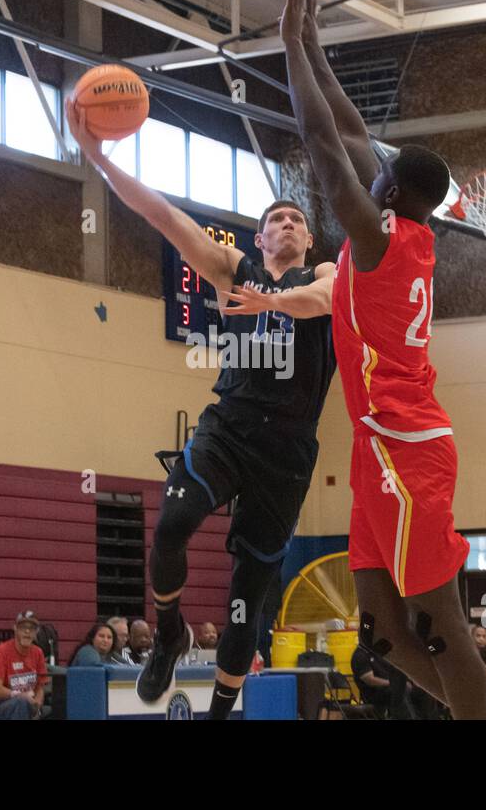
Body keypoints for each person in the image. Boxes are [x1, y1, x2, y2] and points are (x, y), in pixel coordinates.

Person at [224, 0, 486, 718]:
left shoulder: (376, 241)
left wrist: (286, 42)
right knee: (380, 633)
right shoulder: (406, 229)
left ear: (391, 189)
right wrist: (307, 36)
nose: (368, 166)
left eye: (380, 169)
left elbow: (320, 139)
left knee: (438, 626)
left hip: (408, 446)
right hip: (382, 445)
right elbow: (347, 122)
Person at [66, 86, 336, 722]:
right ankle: (167, 634)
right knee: (169, 528)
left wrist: (271, 303)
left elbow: (323, 304)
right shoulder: (229, 269)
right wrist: (100, 159)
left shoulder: (324, 277)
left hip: (287, 450)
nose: (288, 224)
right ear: (259, 237)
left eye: (297, 219)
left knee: (249, 600)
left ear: (308, 240)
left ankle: (219, 710)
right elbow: (163, 215)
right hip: (230, 429)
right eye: (276, 220)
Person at [0, 611, 49, 720]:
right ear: (15, 628)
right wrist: (18, 695)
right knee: (21, 703)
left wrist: (37, 704)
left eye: (32, 628)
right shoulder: (2, 651)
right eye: (23, 627)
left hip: (26, 704)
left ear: (36, 632)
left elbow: (40, 687)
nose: (27, 631)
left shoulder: (38, 653)